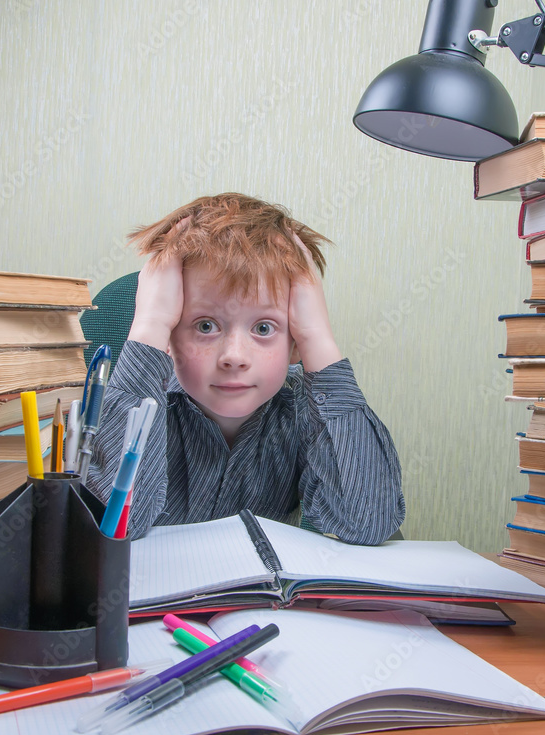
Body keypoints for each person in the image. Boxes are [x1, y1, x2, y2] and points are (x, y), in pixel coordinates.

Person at [86, 193, 405, 545]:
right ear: (170, 337)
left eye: (264, 328)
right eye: (205, 326)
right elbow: (112, 529)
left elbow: (368, 523)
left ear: (295, 341)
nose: (234, 356)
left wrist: (318, 339)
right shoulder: (142, 406)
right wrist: (149, 324)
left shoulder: (301, 409)